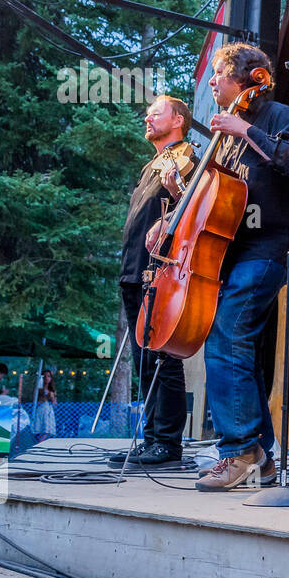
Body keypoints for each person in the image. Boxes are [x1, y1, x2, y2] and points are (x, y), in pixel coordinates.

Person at [188, 43, 289, 491]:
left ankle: (239, 451)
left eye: (221, 73)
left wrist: (244, 130)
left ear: (250, 78)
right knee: (247, 352)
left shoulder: (278, 116)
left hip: (269, 250)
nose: (214, 81)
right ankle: (260, 455)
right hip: (232, 253)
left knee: (225, 334)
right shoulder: (222, 133)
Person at [110, 94, 195, 470]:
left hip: (158, 271)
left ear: (178, 119)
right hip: (134, 269)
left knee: (162, 358)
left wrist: (177, 189)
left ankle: (167, 442)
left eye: (155, 113)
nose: (147, 118)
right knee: (146, 360)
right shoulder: (153, 164)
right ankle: (150, 438)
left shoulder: (187, 157)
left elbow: (192, 208)